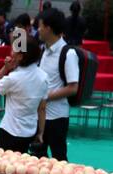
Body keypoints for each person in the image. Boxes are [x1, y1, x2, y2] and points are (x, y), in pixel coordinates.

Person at [0, 35, 49, 153]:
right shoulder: (43, 77)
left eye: (14, 51)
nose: (12, 53)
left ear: (21, 56)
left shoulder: (13, 78)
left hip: (9, 131)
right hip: (29, 132)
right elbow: (42, 108)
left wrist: (5, 68)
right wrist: (41, 132)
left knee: (4, 168)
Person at [37, 8, 79, 161]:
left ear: (48, 28)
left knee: (59, 160)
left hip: (57, 118)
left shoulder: (68, 53)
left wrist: (45, 97)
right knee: (37, 158)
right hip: (40, 115)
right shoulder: (44, 50)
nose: (38, 30)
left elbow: (73, 88)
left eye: (40, 26)